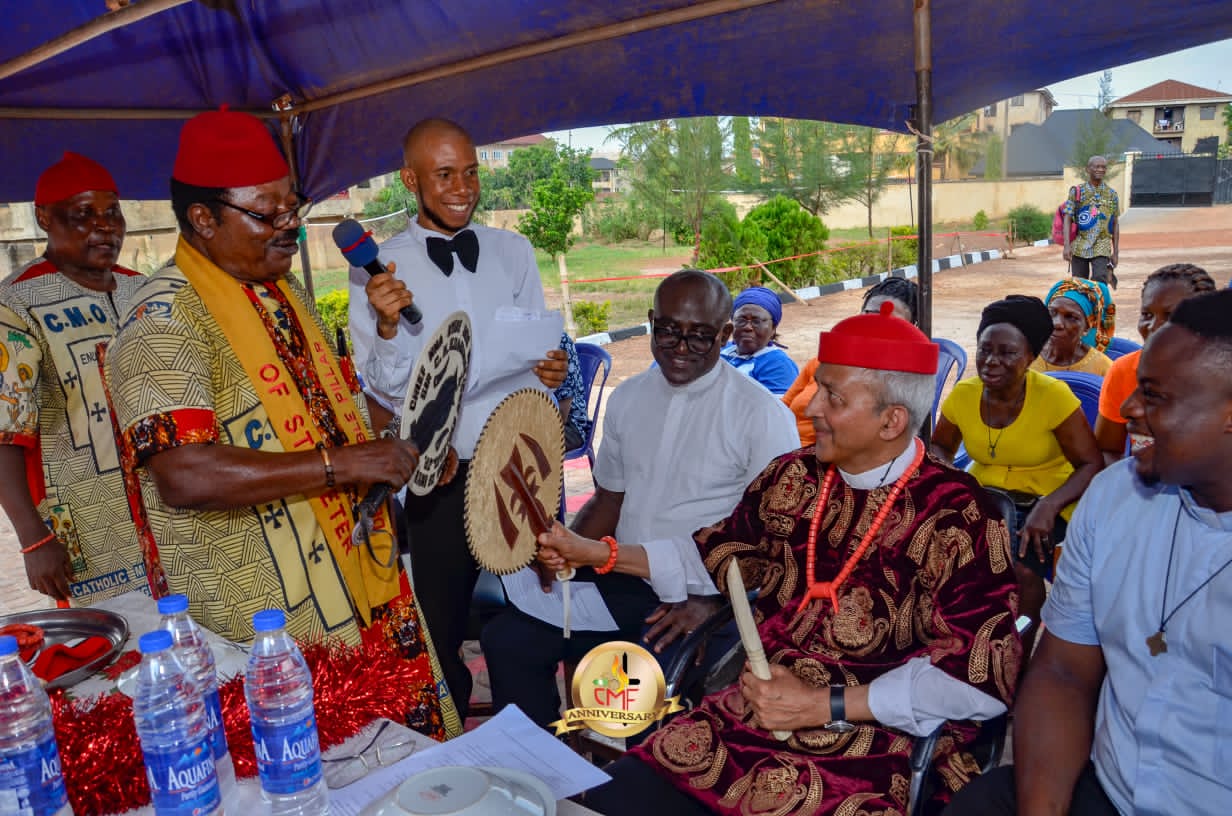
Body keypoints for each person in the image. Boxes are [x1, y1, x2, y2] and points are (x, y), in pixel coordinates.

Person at [539, 302, 1022, 815]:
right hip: (749, 718)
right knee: (617, 797)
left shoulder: (958, 515)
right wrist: (594, 551)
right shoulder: (794, 476)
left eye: (832, 397)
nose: (811, 408)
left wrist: (825, 704)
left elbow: (979, 683)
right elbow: (714, 554)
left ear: (891, 421)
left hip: (876, 745)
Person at [105, 108, 453, 739]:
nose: (291, 228)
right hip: (266, 619)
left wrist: (398, 445)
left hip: (354, 580)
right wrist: (342, 466)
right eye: (269, 215)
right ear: (204, 218)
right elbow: (181, 472)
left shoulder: (281, 291)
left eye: (294, 208)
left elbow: (337, 412)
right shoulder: (162, 320)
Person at [944, 289, 1232, 816]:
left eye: (1156, 396)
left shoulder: (1057, 409)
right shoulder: (1119, 495)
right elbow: (1064, 672)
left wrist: (1044, 506)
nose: (1127, 410)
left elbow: (1081, 461)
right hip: (1106, 785)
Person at [481, 269, 800, 730]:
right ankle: (535, 773)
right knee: (508, 639)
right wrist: (563, 553)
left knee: (634, 693)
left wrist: (714, 605)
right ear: (651, 322)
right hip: (624, 578)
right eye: (669, 331)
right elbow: (609, 500)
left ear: (725, 334)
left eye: (700, 336)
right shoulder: (630, 398)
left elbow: (775, 541)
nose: (681, 348)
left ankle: (635, 784)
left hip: (704, 595)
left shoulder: (762, 416)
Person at [349, 117, 567, 720]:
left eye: (470, 172)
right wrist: (391, 330)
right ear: (409, 179)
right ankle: (448, 749)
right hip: (436, 475)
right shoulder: (380, 268)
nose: (463, 188)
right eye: (444, 174)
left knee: (532, 614)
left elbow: (540, 345)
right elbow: (388, 385)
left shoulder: (513, 250)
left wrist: (550, 367)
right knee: (438, 624)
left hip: (520, 463)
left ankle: (539, 744)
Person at [0, 151, 150, 605]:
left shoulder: (144, 289)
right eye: (83, 214)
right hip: (85, 517)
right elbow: (5, 431)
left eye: (112, 212)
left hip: (175, 506)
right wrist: (32, 537)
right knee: (120, 649)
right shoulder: (16, 306)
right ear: (44, 217)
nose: (105, 227)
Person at [932, 295, 1102, 635]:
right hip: (987, 496)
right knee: (945, 555)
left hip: (1050, 500)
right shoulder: (965, 395)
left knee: (1023, 569)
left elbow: (1090, 464)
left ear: (1031, 356)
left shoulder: (1053, 397)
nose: (991, 361)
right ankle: (960, 633)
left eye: (1007, 352)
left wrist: (1050, 506)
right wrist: (942, 475)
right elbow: (940, 445)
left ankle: (1020, 638)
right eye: (984, 349)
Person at [1094, 263, 1215, 465]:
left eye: (1172, 317)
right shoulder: (1124, 371)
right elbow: (1107, 450)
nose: (1153, 327)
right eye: (1147, 315)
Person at [782, 277, 919, 445]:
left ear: (910, 329)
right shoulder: (821, 363)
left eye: (890, 321)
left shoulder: (900, 385)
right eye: (868, 315)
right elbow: (782, 409)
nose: (874, 326)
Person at [718, 285, 798, 396]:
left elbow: (775, 411)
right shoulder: (721, 350)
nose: (748, 327)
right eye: (741, 320)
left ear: (773, 329)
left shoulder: (778, 365)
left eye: (757, 321)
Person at [1029, 279, 1114, 376]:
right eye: (1052, 312)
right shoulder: (1026, 358)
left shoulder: (1103, 369)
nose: (1057, 324)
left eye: (1071, 317)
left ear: (1087, 328)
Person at [1062, 156, 1120, 289]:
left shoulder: (1112, 194)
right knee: (1079, 285)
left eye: (1103, 167)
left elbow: (1115, 223)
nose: (1100, 169)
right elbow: (1068, 217)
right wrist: (1066, 245)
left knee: (1100, 281)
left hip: (1102, 245)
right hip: (1080, 245)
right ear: (1088, 169)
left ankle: (1099, 309)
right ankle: (1085, 309)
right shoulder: (1077, 191)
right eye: (1096, 166)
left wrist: (1116, 252)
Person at [554, 332, 589, 451]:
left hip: (569, 425)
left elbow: (562, 415)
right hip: (528, 421)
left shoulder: (556, 340)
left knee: (515, 443)